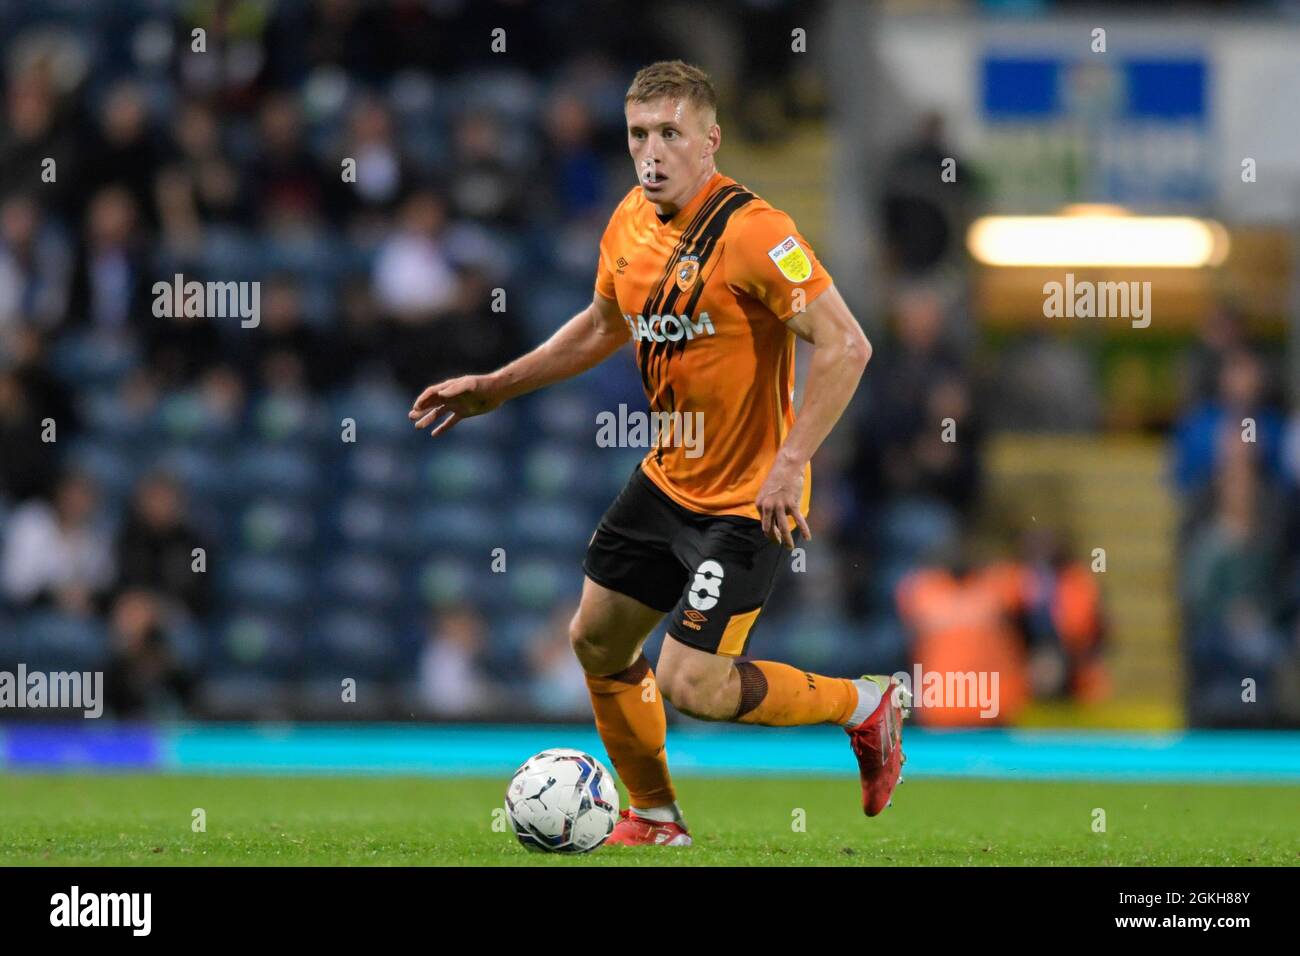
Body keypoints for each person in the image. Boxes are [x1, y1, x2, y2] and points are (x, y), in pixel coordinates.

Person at [409, 61, 908, 847]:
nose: (652, 151)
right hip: (668, 477)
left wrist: (792, 461)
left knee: (692, 684)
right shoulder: (628, 224)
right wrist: (498, 386)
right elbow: (605, 324)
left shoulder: (756, 231)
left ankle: (865, 704)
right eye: (639, 133)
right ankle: (656, 817)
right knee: (596, 639)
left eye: (670, 134)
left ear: (709, 141)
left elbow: (847, 344)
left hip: (749, 499)